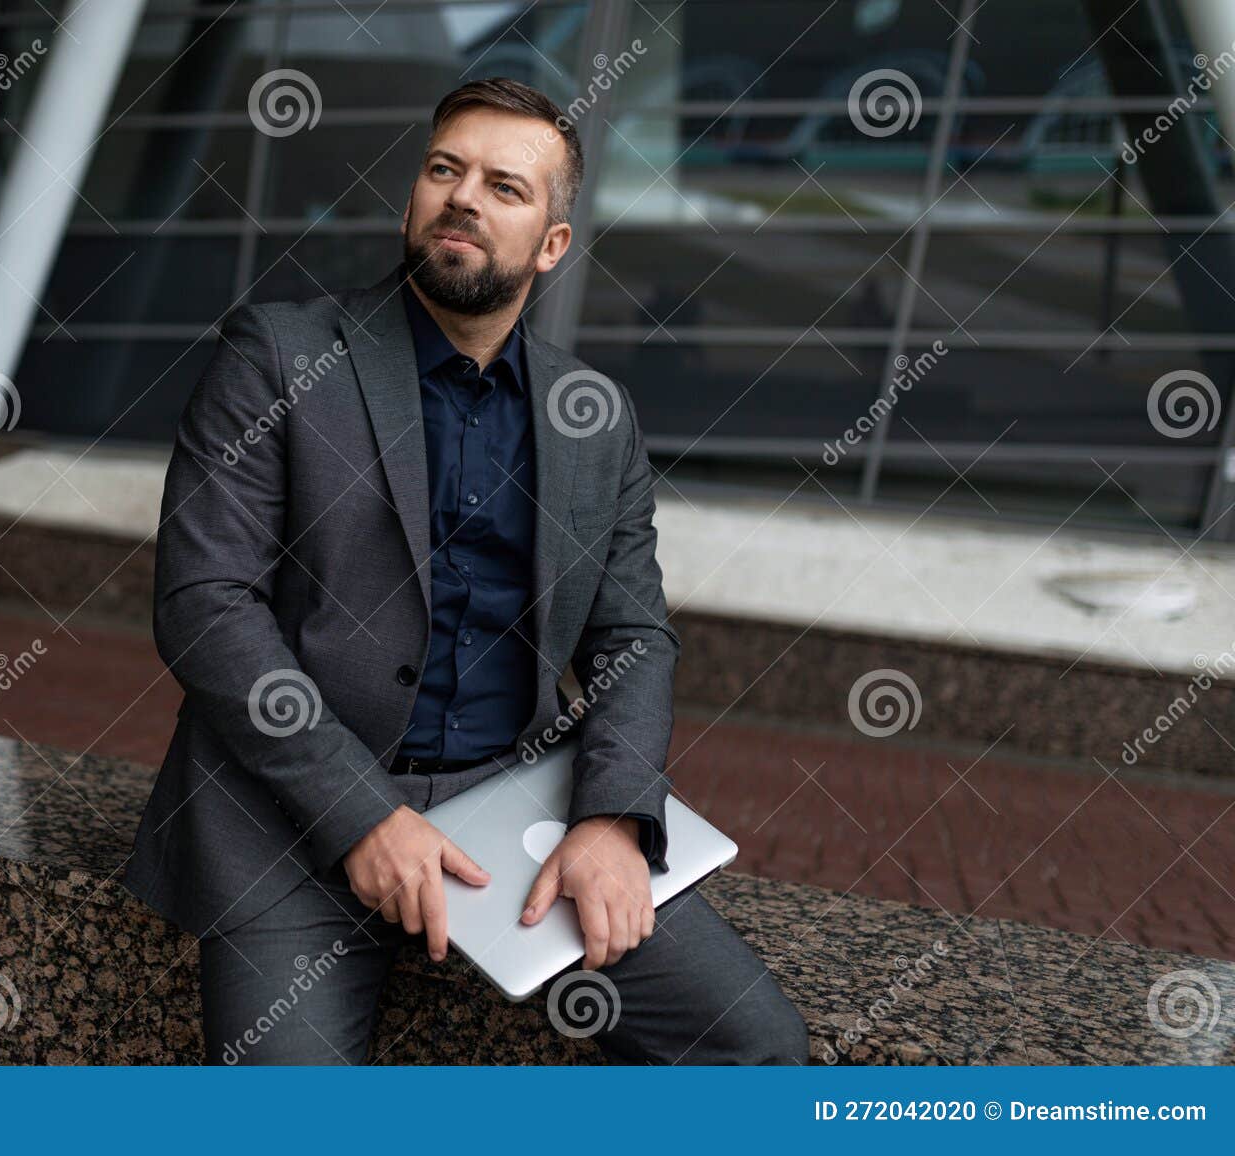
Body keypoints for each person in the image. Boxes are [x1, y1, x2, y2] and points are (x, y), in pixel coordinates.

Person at [123, 76, 807, 1066]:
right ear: (412, 197)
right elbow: (204, 607)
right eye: (444, 170)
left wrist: (614, 816)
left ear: (551, 245)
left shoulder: (593, 413)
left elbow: (632, 636)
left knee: (756, 1048)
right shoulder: (278, 356)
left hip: (511, 809)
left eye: (504, 186)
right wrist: (362, 812)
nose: (463, 198)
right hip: (286, 814)